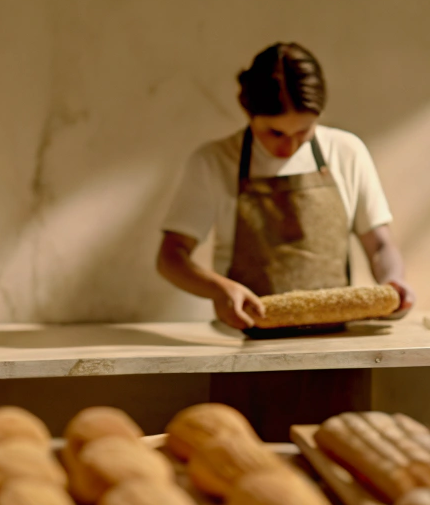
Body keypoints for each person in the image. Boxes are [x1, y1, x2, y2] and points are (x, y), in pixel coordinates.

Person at [157, 42, 416, 330]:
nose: (288, 146)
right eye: (275, 132)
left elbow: (379, 245)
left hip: (337, 345)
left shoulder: (346, 152)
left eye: (303, 131)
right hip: (243, 343)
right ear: (248, 112)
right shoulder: (215, 161)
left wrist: (394, 281)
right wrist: (219, 289)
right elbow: (171, 257)